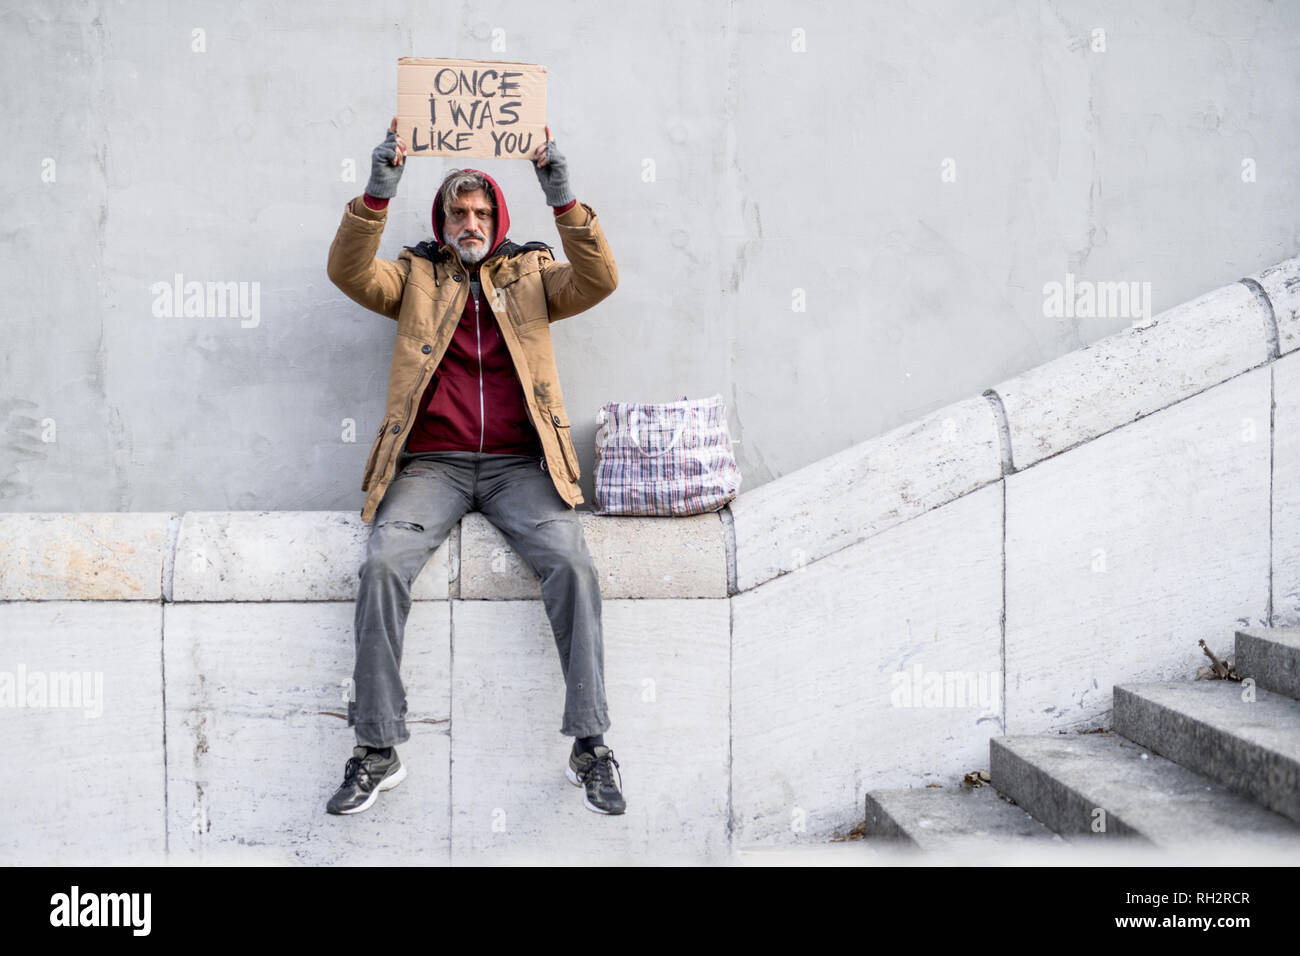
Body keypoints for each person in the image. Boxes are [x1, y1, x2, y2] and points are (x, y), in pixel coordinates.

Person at [324, 117, 624, 816]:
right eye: (459, 211)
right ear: (442, 218)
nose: (471, 221)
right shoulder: (414, 276)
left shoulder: (532, 274)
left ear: (499, 217)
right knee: (382, 565)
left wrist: (563, 197)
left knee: (574, 566)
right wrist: (378, 188)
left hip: (522, 466)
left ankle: (592, 743)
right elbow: (347, 272)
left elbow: (601, 279)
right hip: (434, 465)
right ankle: (377, 747)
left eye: (482, 211)